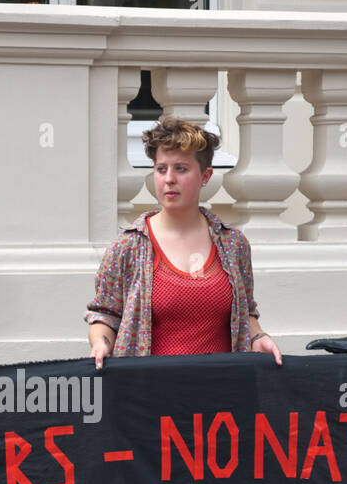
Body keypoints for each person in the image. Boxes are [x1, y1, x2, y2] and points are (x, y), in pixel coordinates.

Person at [85, 116, 283, 368]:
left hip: (222, 396)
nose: (169, 179)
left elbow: (247, 313)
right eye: (161, 169)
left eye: (181, 168)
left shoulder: (233, 245)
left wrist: (259, 336)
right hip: (149, 396)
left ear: (205, 175)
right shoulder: (128, 247)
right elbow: (105, 314)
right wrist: (101, 343)